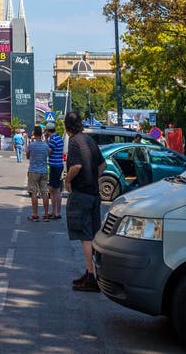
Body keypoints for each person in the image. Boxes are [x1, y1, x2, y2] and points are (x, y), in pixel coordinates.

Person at [64, 110, 105, 292]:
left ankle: (90, 276)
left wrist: (67, 180)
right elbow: (103, 165)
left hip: (81, 195)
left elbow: (77, 166)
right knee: (94, 235)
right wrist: (92, 178)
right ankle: (94, 273)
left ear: (67, 127)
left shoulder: (74, 142)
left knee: (85, 236)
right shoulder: (89, 140)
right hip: (95, 194)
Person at [26, 126, 50, 221]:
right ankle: (46, 214)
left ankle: (35, 215)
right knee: (44, 192)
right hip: (44, 171)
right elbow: (49, 153)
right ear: (41, 134)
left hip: (33, 171)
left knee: (34, 193)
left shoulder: (31, 145)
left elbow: (27, 156)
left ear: (34, 134)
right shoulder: (45, 145)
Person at [45, 122, 64, 219]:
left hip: (55, 166)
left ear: (48, 131)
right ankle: (54, 211)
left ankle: (56, 212)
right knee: (52, 189)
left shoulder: (53, 140)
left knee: (56, 190)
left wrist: (45, 141)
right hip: (58, 165)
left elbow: (48, 152)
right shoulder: (59, 138)